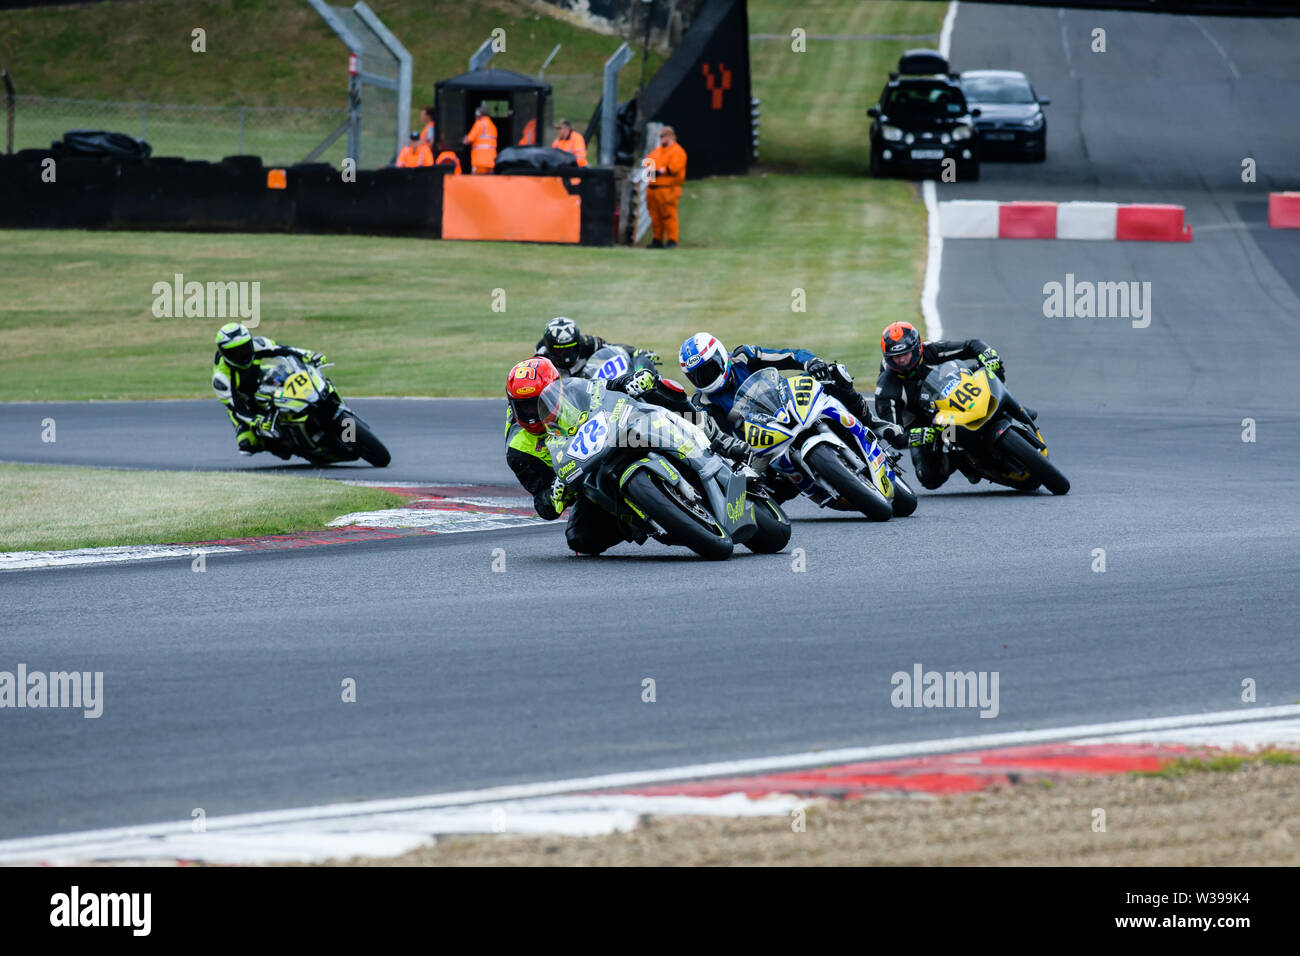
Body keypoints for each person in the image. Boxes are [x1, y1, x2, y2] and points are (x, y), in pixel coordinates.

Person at [504, 357, 745, 555]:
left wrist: (629, 381)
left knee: (660, 387)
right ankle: (643, 519)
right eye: (525, 407)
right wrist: (556, 492)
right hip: (587, 478)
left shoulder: (570, 390)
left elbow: (605, 387)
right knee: (580, 539)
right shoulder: (518, 449)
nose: (535, 413)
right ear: (512, 406)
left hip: (618, 434)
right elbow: (543, 504)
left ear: (556, 389)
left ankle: (717, 439)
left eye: (541, 403)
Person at [873, 321, 1012, 489]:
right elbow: (892, 433)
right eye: (896, 356)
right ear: (888, 357)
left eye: (906, 353)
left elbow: (971, 345)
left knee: (990, 369)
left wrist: (988, 355)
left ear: (917, 349)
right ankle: (963, 461)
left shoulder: (930, 351)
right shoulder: (886, 389)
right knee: (929, 478)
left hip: (960, 397)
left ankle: (1013, 409)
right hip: (931, 427)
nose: (902, 359)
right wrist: (915, 435)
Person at [211, 323, 325, 457]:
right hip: (247, 404)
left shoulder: (258, 344)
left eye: (245, 348)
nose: (242, 355)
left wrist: (308, 355)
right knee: (247, 445)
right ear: (224, 353)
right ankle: (283, 444)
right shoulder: (221, 378)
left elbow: (285, 350)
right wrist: (256, 420)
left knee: (288, 375)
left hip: (262, 379)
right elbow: (238, 409)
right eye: (235, 352)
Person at [533, 316, 633, 377]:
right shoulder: (540, 358)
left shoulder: (588, 343)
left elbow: (613, 349)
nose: (566, 355)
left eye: (570, 348)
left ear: (578, 343)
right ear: (549, 347)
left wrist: (637, 353)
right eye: (559, 350)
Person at [644, 125, 687, 248]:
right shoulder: (657, 151)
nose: (660, 139)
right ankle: (657, 240)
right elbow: (648, 163)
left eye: (662, 136)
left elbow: (674, 168)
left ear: (669, 136)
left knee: (668, 215)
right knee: (655, 217)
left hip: (668, 189)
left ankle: (672, 240)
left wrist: (660, 171)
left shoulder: (677, 151)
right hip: (653, 188)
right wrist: (654, 170)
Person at [463, 103, 498, 174]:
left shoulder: (479, 124)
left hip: (479, 162)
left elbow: (468, 140)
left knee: (477, 183)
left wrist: (463, 139)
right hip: (491, 162)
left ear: (479, 115)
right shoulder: (493, 127)